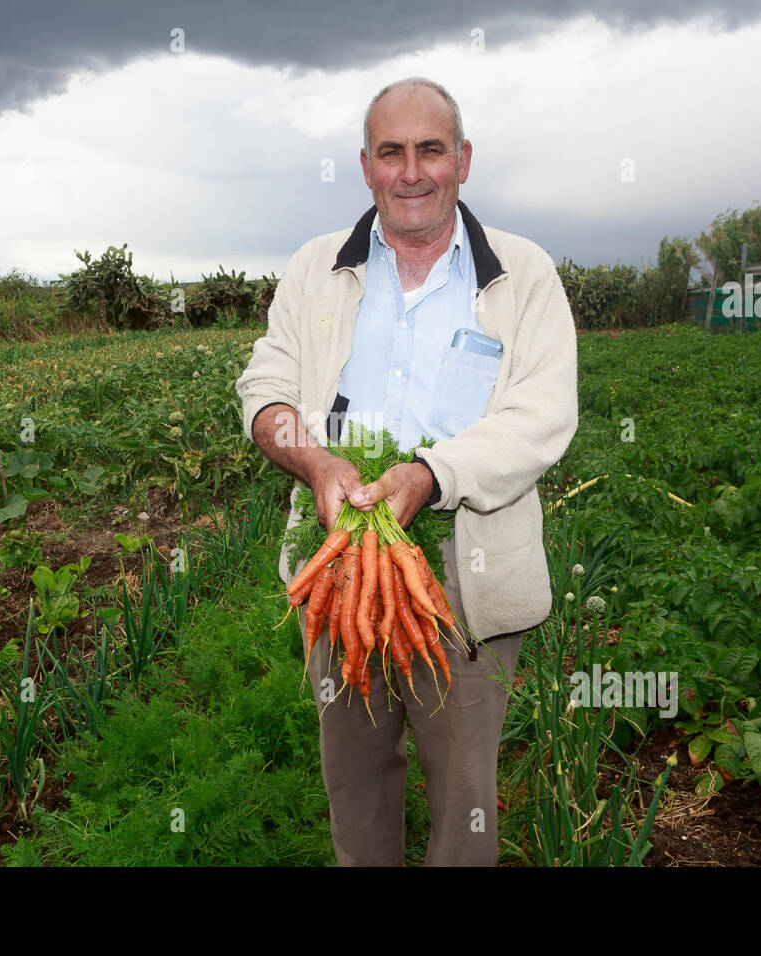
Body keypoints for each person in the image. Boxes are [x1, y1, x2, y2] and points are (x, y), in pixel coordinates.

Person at [235, 76, 578, 865]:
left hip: (470, 572)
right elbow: (266, 390)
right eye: (393, 152)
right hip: (341, 569)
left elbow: (541, 417)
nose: (413, 170)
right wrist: (310, 457)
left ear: (463, 159)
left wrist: (429, 474)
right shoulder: (314, 268)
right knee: (354, 781)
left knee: (464, 797)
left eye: (431, 149)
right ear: (366, 166)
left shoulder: (523, 275)